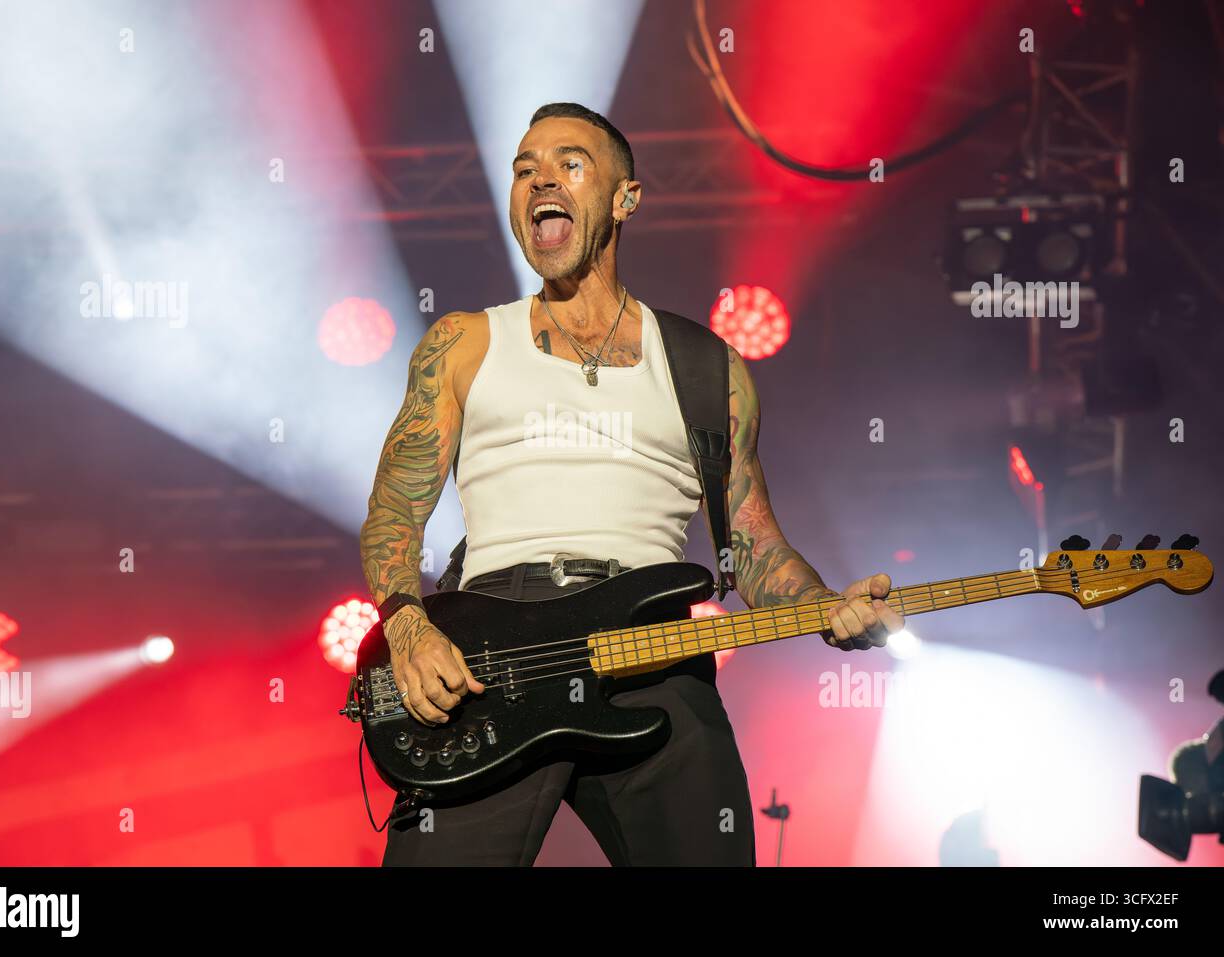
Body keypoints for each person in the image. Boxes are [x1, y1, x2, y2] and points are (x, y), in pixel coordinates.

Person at [359, 102, 904, 866]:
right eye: (524, 169)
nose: (540, 178)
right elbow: (392, 514)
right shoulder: (465, 343)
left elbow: (751, 544)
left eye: (569, 163)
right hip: (492, 653)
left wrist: (824, 607)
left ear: (625, 199)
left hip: (650, 646)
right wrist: (408, 630)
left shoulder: (707, 369)